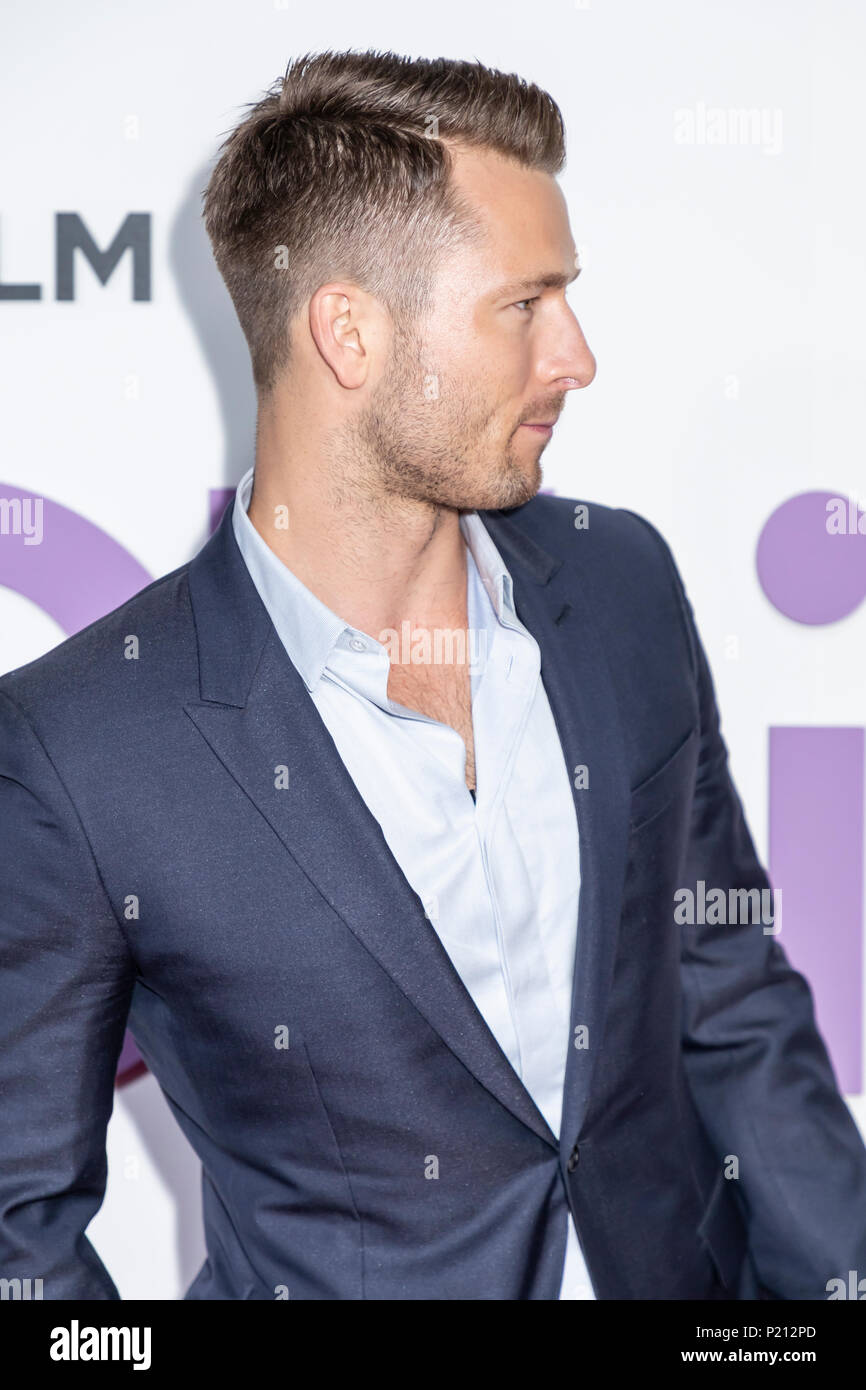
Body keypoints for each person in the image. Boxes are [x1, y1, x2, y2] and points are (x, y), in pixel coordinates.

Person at [1, 48, 864, 1301]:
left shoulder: (618, 587)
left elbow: (724, 992)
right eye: (523, 305)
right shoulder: (83, 746)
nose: (574, 356)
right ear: (347, 331)